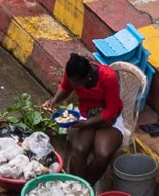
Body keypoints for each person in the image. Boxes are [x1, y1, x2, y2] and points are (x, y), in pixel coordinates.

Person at [45, 54, 126, 183]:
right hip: (83, 113)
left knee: (103, 154)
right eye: (72, 82)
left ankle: (85, 186)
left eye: (77, 83)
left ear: (88, 75)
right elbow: (66, 88)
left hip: (108, 120)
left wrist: (86, 124)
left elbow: (111, 111)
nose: (74, 85)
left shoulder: (108, 77)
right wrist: (53, 101)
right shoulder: (72, 73)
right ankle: (76, 185)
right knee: (79, 150)